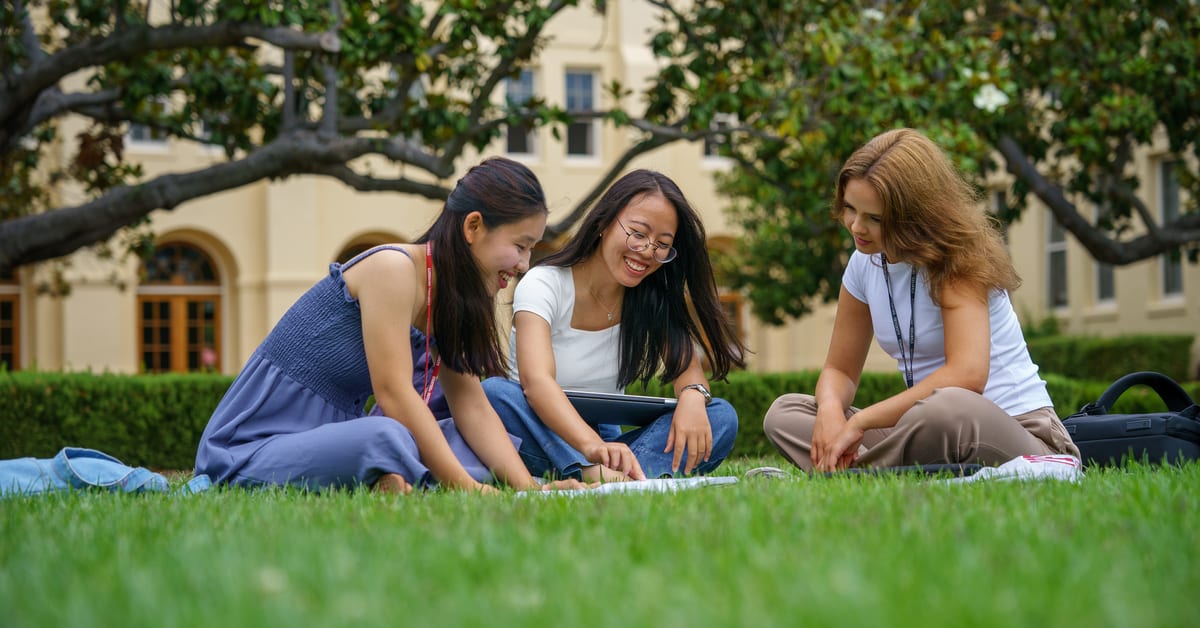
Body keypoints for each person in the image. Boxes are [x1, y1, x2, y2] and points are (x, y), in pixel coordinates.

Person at [195, 157, 584, 494]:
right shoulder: (393, 269)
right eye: (520, 246)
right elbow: (395, 394)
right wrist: (474, 491)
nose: (524, 265)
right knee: (388, 435)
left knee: (459, 439)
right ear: (473, 227)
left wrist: (529, 489)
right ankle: (386, 471)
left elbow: (471, 404)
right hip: (251, 448)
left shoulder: (452, 299)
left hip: (335, 437)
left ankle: (385, 477)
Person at [763, 128, 1080, 472]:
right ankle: (882, 470)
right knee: (785, 413)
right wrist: (829, 413)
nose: (855, 226)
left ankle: (857, 472)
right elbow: (840, 370)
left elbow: (967, 376)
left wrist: (859, 423)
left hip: (1013, 429)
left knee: (945, 409)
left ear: (913, 215)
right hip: (922, 428)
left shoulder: (957, 258)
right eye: (850, 209)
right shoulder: (863, 264)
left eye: (874, 218)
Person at [483, 170, 747, 482]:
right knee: (494, 394)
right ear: (604, 223)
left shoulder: (650, 296)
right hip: (538, 427)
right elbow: (536, 383)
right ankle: (606, 474)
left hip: (606, 441)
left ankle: (605, 477)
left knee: (720, 417)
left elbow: (688, 372)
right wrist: (591, 447)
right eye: (638, 233)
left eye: (662, 244)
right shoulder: (544, 284)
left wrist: (692, 396)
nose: (648, 251)